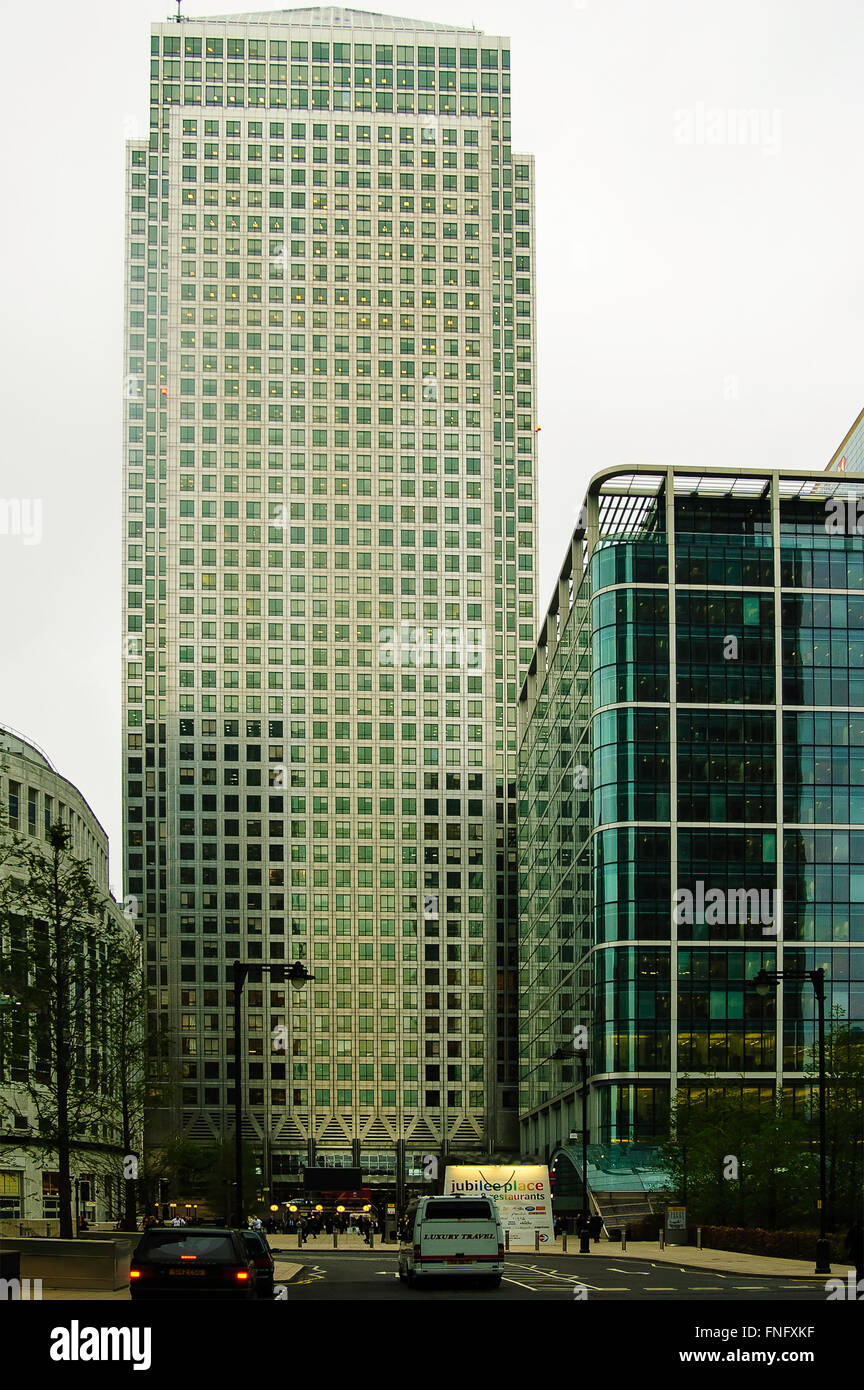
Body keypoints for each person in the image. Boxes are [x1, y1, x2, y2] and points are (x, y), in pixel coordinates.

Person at [845, 1217, 864, 1287]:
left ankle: (860, 1287)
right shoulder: (857, 1230)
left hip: (857, 1254)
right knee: (861, 1271)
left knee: (860, 1271)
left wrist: (847, 1248)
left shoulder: (854, 1229)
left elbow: (848, 1240)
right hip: (858, 1254)